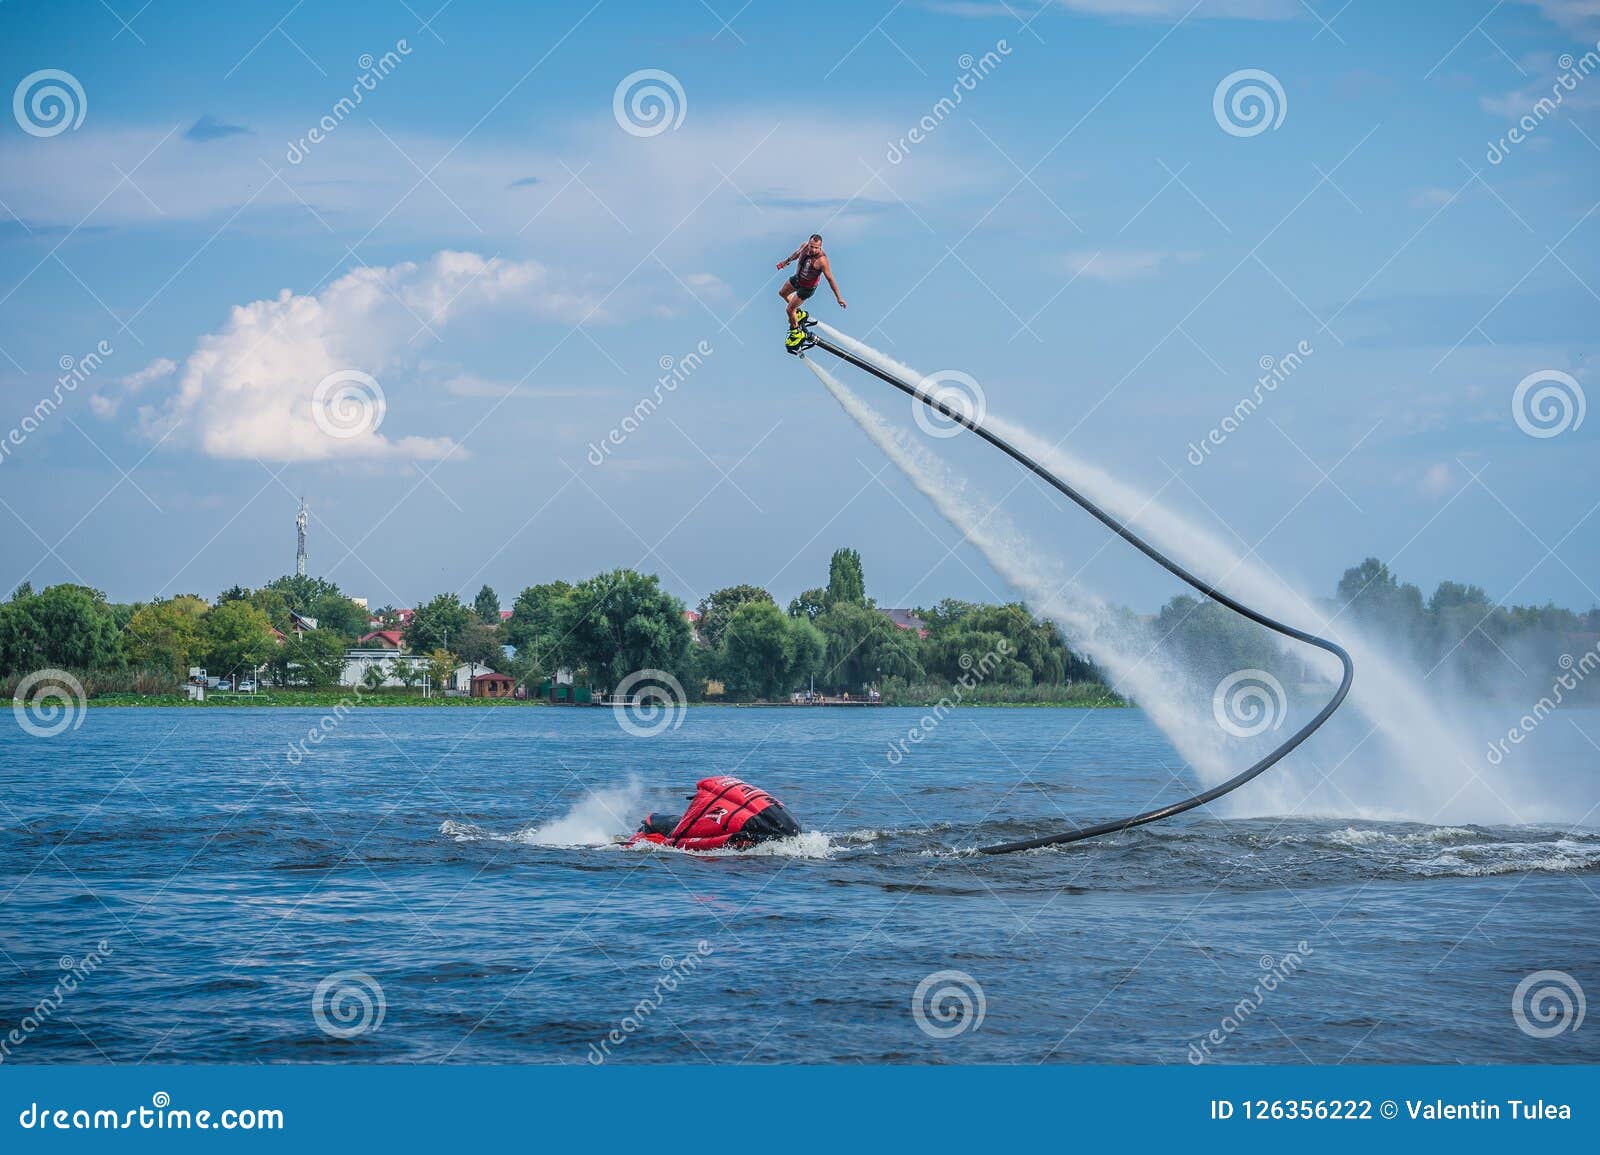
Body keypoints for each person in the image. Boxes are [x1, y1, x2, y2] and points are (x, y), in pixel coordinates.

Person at [776, 233, 846, 350]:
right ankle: (799, 314)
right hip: (798, 279)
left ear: (820, 247)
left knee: (789, 309)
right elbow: (797, 254)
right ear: (808, 244)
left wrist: (839, 298)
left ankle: (796, 333)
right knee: (782, 293)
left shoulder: (822, 261)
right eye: (811, 246)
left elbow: (830, 279)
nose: (813, 249)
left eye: (816, 248)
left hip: (807, 288)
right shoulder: (804, 247)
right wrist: (785, 262)